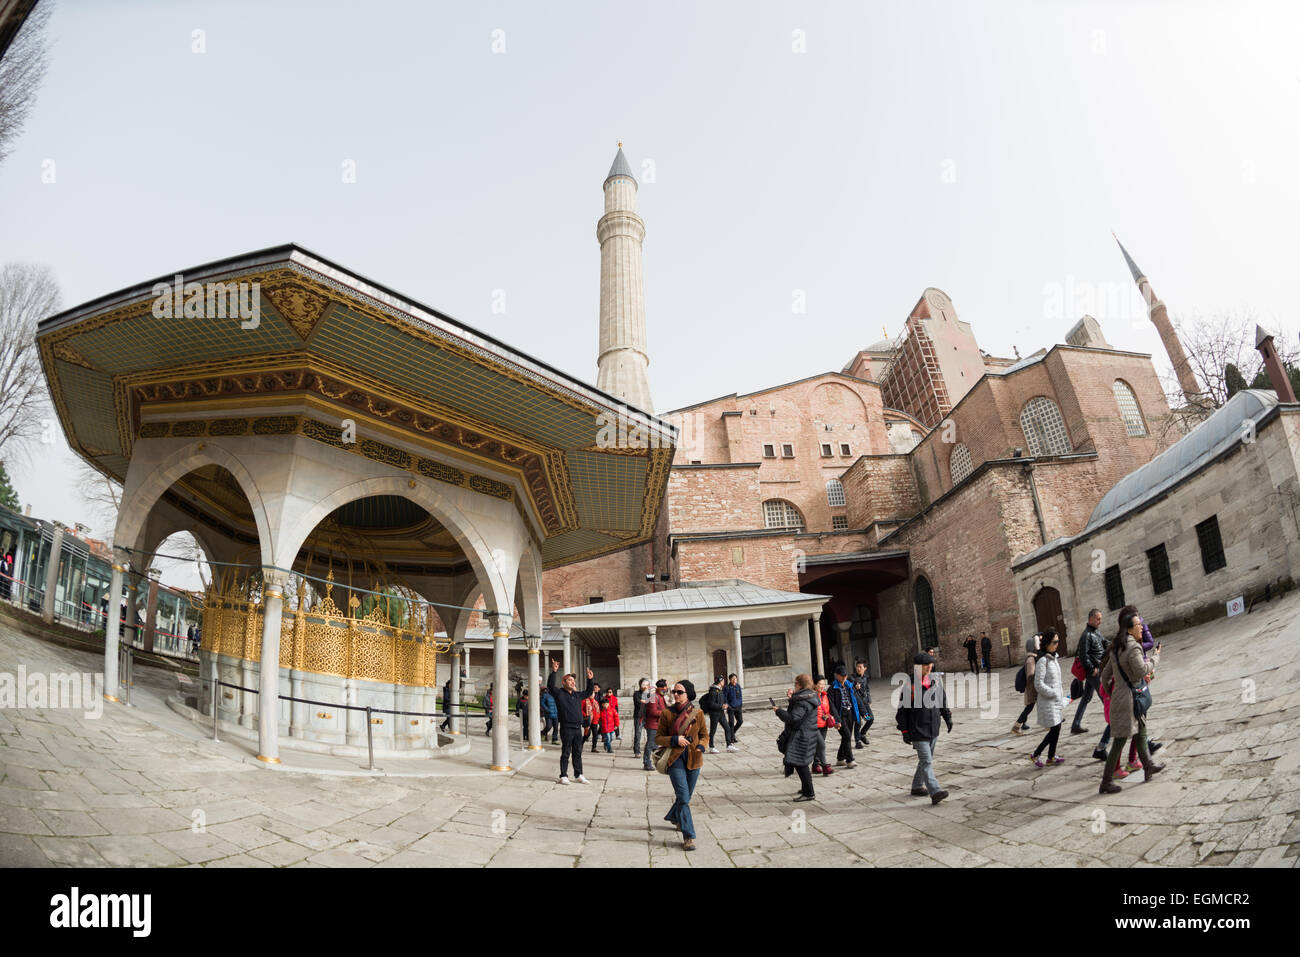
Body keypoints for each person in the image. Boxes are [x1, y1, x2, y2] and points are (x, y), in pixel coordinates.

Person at [1099, 611, 1164, 794]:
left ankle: (1148, 765)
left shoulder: (1116, 646)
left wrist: (1113, 693)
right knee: (1119, 741)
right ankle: (1105, 782)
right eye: (1138, 625)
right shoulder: (1133, 647)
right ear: (1129, 629)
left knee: (1141, 733)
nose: (1141, 627)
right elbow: (1142, 670)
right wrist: (1156, 657)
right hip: (1130, 699)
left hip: (1121, 697)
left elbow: (1105, 676)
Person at [895, 651, 952, 804]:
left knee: (925, 760)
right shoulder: (910, 686)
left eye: (930, 665)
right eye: (926, 666)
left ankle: (916, 786)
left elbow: (942, 701)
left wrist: (947, 718)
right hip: (917, 730)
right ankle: (935, 791)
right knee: (927, 762)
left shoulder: (935, 682)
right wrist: (905, 732)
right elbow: (901, 713)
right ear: (917, 667)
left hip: (933, 729)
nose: (929, 668)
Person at [657, 679, 706, 851]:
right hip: (675, 758)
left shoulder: (698, 713)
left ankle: (674, 816)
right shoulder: (667, 713)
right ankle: (688, 836)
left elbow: (704, 734)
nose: (676, 694)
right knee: (684, 797)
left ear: (688, 694)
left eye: (680, 692)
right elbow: (658, 738)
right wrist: (674, 739)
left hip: (694, 759)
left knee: (686, 796)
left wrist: (701, 746)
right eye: (674, 692)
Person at [546, 659, 595, 784]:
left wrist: (590, 679)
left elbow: (589, 692)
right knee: (566, 752)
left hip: (578, 728)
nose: (573, 682)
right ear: (564, 682)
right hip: (566, 727)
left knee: (578, 752)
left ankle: (579, 774)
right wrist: (554, 671)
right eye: (570, 680)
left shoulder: (577, 695)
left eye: (573, 680)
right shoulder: (559, 693)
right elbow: (551, 686)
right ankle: (563, 775)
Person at [774, 674, 820, 802]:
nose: (794, 686)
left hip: (802, 735)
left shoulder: (803, 701)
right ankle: (806, 788)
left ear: (800, 684)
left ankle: (809, 793)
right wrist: (792, 698)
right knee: (799, 762)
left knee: (801, 764)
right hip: (807, 733)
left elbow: (793, 718)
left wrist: (779, 711)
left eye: (795, 684)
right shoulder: (808, 696)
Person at [1029, 628, 1066, 767]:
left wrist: (1059, 694)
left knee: (1057, 728)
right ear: (1047, 644)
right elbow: (1038, 684)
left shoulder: (1054, 658)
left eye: (1058, 641)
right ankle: (1036, 754)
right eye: (1054, 642)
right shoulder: (1042, 661)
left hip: (1056, 701)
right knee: (1054, 729)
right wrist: (1053, 693)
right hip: (1047, 701)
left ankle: (1050, 757)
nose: (1057, 644)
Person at [1071, 608, 1106, 734]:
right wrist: (1092, 670)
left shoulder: (1096, 632)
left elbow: (1104, 644)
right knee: (1104, 695)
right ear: (1091, 619)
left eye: (1100, 618)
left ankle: (1075, 724)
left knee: (1086, 697)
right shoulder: (1086, 635)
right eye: (1098, 619)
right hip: (1093, 672)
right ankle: (1114, 721)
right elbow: (1083, 656)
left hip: (1097, 669)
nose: (1100, 621)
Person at [828, 666, 860, 768]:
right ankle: (850, 760)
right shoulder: (832, 689)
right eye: (842, 676)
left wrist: (864, 714)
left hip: (850, 713)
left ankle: (840, 758)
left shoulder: (849, 685)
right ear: (836, 676)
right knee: (846, 735)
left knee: (846, 736)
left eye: (845, 676)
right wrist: (837, 719)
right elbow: (832, 706)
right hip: (840, 715)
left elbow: (856, 700)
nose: (844, 678)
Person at [1011, 634, 1040, 735]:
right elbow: (1031, 675)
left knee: (1032, 707)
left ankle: (1047, 723)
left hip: (1032, 689)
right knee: (1029, 708)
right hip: (1032, 689)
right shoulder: (1031, 659)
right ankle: (1016, 726)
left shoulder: (1030, 658)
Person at [701, 676, 735, 753]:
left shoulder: (719, 690)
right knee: (713, 731)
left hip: (721, 713)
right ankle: (711, 747)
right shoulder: (713, 691)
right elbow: (711, 704)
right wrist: (721, 706)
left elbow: (720, 701)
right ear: (720, 682)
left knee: (727, 728)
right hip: (714, 714)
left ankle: (729, 745)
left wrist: (724, 706)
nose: (724, 682)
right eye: (723, 681)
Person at [811, 675, 836, 776]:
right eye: (820, 684)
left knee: (819, 746)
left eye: (823, 684)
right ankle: (825, 766)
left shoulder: (825, 695)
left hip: (824, 724)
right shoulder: (811, 696)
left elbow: (828, 709)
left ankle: (815, 765)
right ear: (815, 685)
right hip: (814, 725)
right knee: (822, 745)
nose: (822, 686)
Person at [642, 679, 668, 771]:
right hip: (652, 724)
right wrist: (665, 713)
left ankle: (656, 761)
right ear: (660, 688)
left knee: (655, 745)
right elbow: (653, 712)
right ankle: (646, 762)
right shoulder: (653, 697)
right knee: (650, 744)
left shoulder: (661, 696)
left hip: (658, 724)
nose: (666, 689)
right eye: (664, 687)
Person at [851, 659, 873, 746]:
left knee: (870, 719)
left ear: (865, 668)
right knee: (858, 721)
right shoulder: (852, 677)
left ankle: (862, 734)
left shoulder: (865, 678)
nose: (858, 668)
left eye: (860, 667)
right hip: (856, 704)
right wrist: (854, 687)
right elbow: (850, 688)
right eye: (857, 667)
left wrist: (869, 700)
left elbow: (867, 689)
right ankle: (857, 741)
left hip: (865, 703)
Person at [631, 678, 649, 757]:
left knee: (651, 734)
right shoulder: (636, 694)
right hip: (639, 716)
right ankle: (637, 751)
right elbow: (639, 704)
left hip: (648, 716)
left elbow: (651, 703)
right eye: (643, 684)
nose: (645, 686)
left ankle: (650, 749)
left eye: (647, 684)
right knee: (638, 734)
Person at [724, 673, 743, 742]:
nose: (734, 680)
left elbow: (740, 696)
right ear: (730, 680)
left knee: (740, 721)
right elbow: (725, 698)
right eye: (733, 679)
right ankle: (732, 737)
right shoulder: (727, 687)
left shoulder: (738, 686)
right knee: (731, 722)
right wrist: (728, 706)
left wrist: (740, 704)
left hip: (738, 707)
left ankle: (732, 733)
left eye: (735, 679)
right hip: (731, 708)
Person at [600, 687, 620, 751]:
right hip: (605, 728)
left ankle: (606, 744)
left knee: (611, 738)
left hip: (611, 727)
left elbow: (616, 717)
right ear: (602, 705)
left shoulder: (612, 710)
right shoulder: (601, 711)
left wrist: (616, 725)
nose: (606, 705)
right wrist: (600, 724)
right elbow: (598, 719)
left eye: (607, 704)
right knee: (608, 738)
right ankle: (609, 749)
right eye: (604, 704)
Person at [586, 685, 604, 753]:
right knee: (587, 734)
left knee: (595, 734)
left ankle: (594, 747)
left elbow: (598, 710)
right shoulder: (585, 701)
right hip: (588, 720)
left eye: (592, 694)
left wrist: (598, 717)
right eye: (591, 694)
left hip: (595, 721)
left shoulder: (595, 702)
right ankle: (580, 745)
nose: (592, 695)